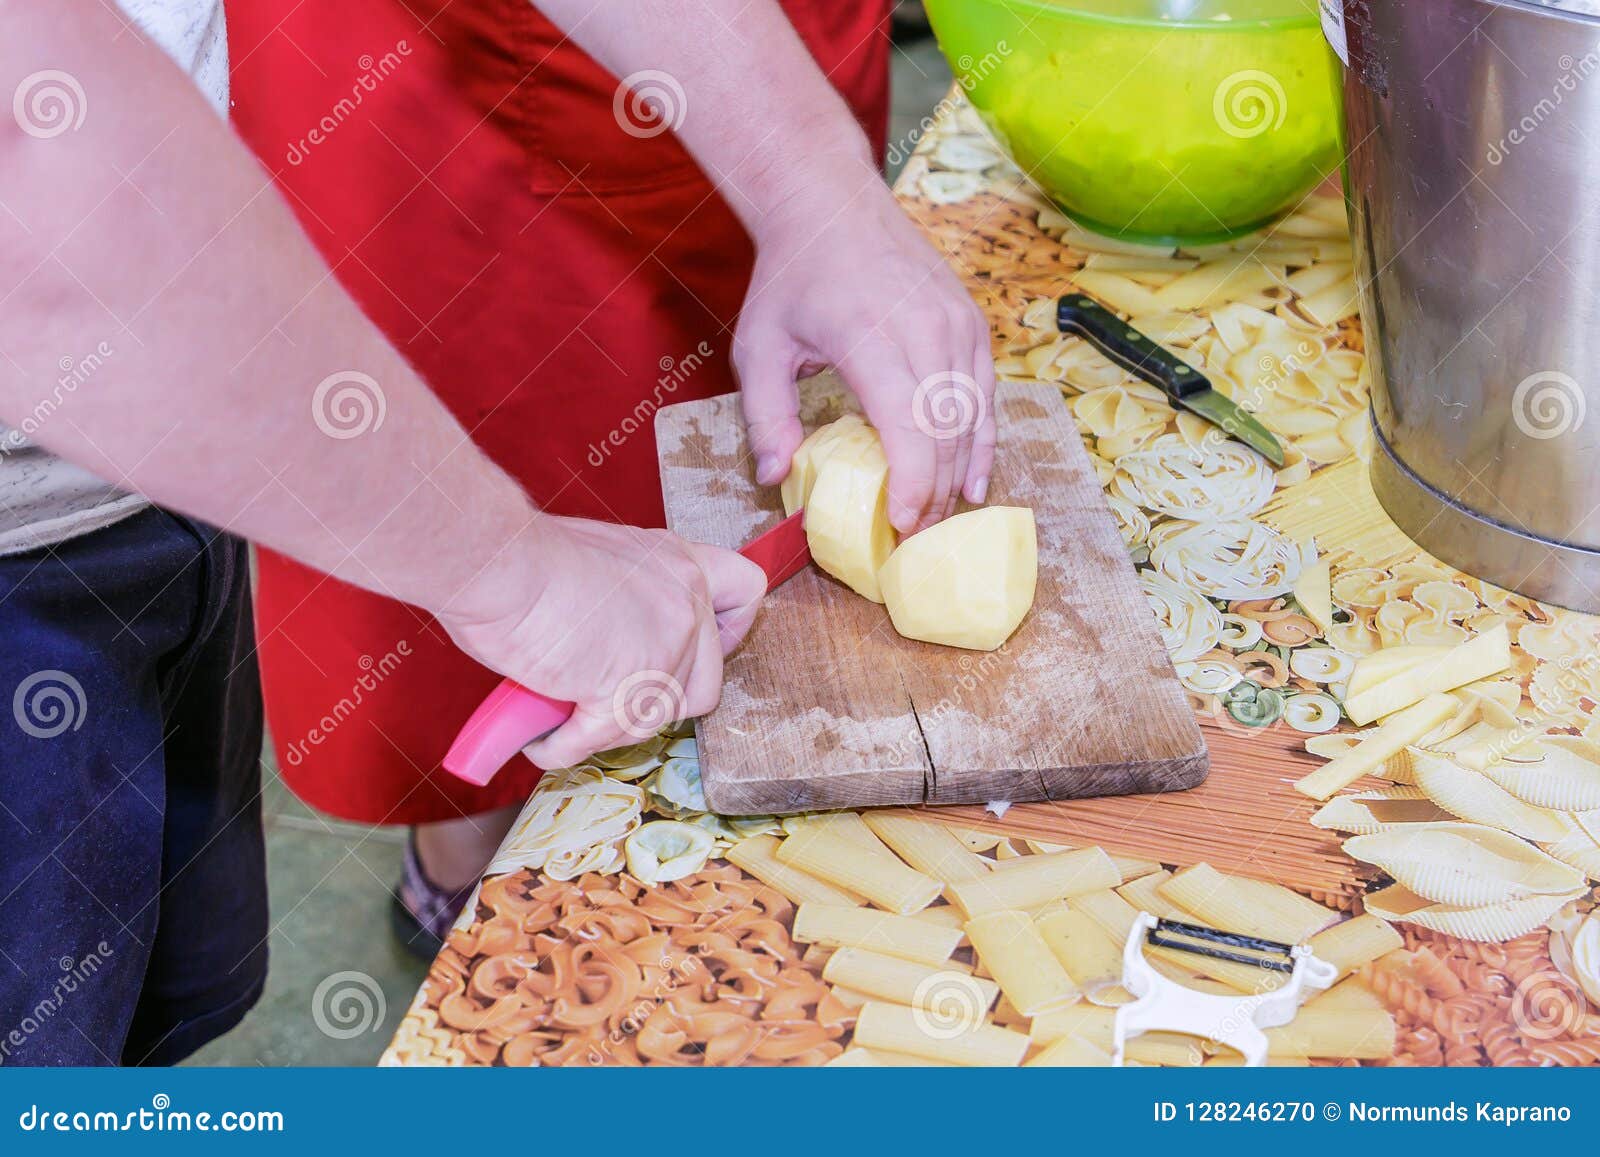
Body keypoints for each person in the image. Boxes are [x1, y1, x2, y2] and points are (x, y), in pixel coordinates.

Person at [0, 0, 994, 1064]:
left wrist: (818, 194)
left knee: (121, 1027)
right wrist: (513, 577)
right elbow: (36, 198)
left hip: (130, 480)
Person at [220, 0, 949, 955]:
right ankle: (477, 877)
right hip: (459, 66)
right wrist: (816, 192)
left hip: (775, 44)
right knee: (484, 407)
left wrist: (820, 196)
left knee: (739, 466)